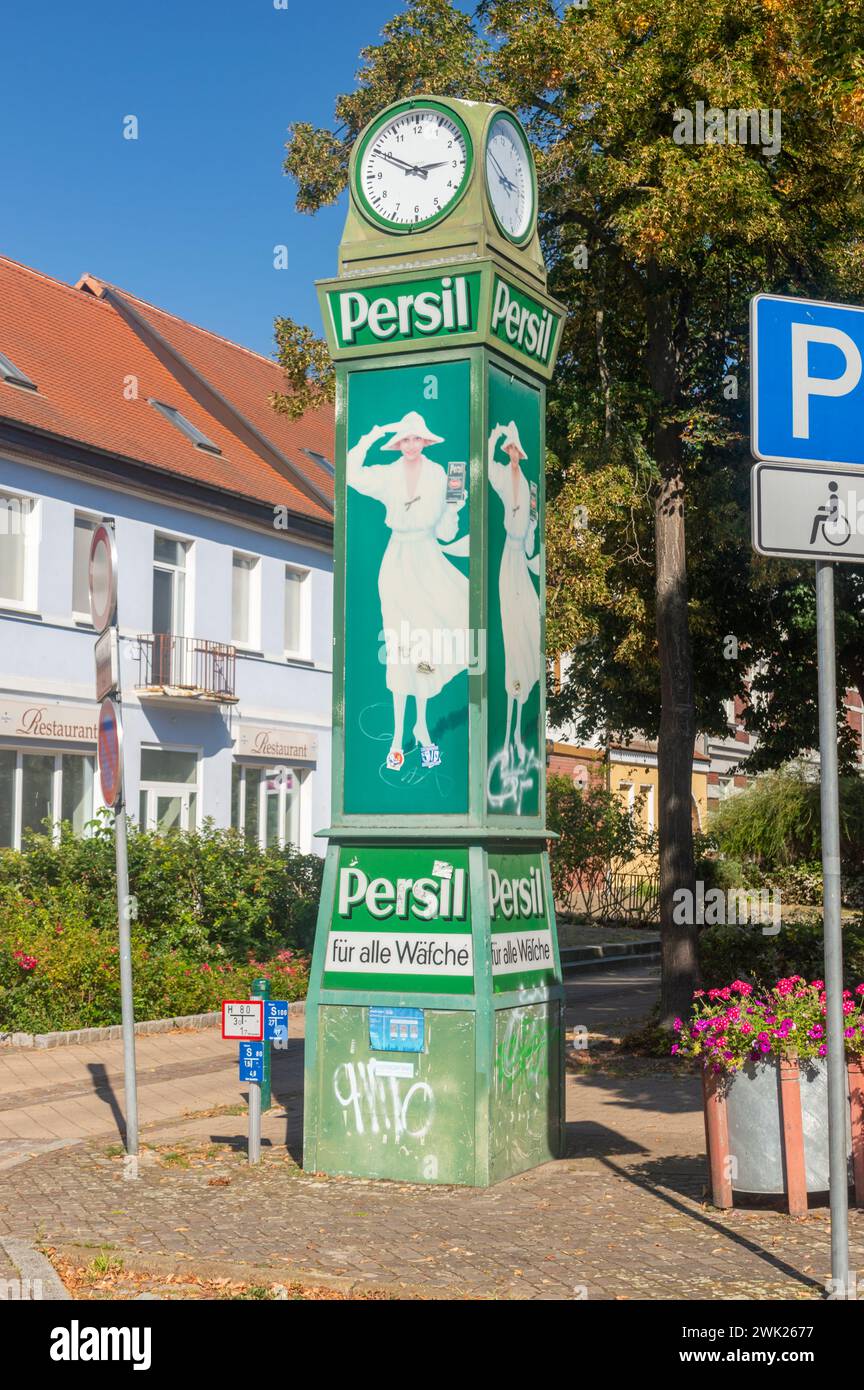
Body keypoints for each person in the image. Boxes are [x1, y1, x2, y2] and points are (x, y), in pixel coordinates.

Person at [347, 410, 469, 771]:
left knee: (427, 645)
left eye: (417, 438)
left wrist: (455, 506)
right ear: (398, 443)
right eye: (405, 439)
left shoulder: (440, 476)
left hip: (428, 558)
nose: (411, 444)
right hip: (397, 559)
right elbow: (352, 474)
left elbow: (447, 531)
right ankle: (399, 735)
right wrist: (371, 434)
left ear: (425, 442)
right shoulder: (387, 475)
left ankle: (421, 724)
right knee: (400, 645)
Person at [488, 419, 540, 764]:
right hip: (509, 561)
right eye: (509, 450)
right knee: (510, 643)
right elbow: (485, 466)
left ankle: (516, 736)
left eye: (514, 449)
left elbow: (534, 542)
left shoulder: (532, 488)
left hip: (522, 563)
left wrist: (540, 565)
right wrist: (493, 437)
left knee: (528, 640)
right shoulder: (504, 479)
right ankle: (507, 738)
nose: (512, 455)